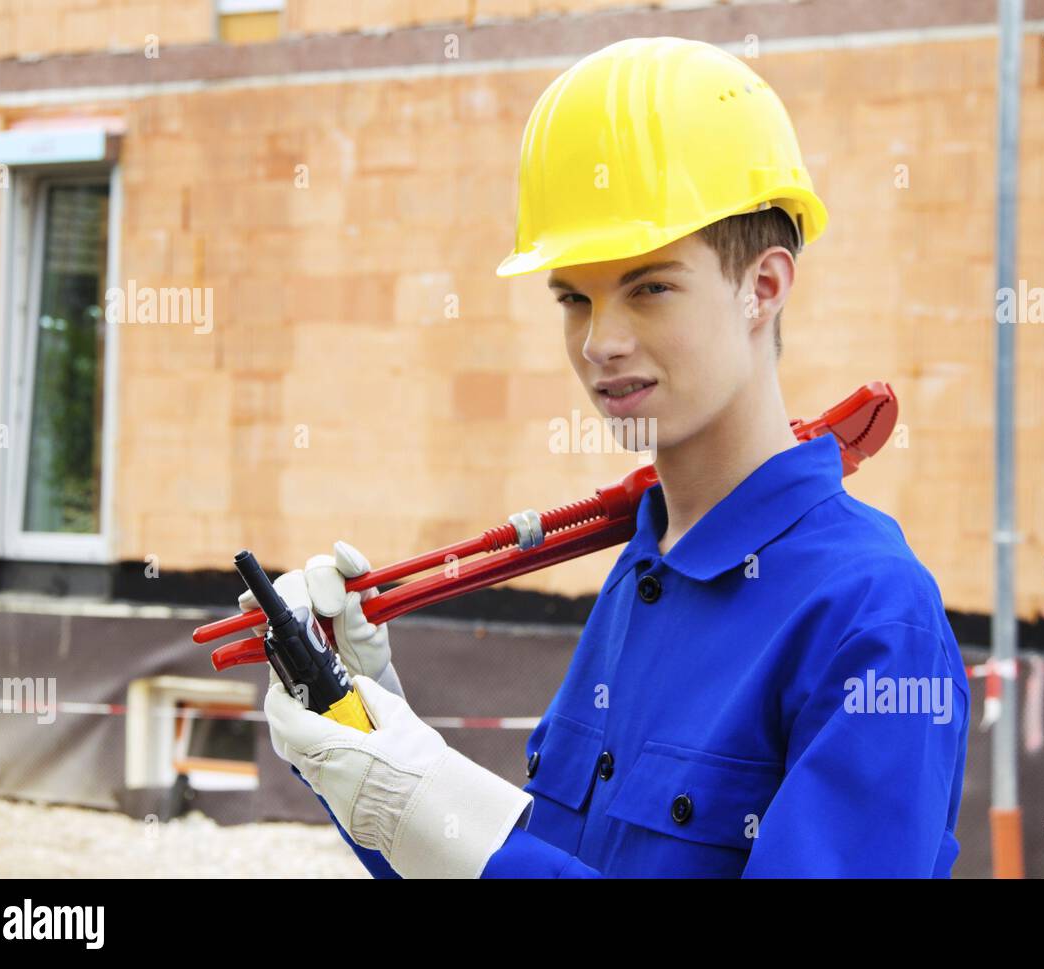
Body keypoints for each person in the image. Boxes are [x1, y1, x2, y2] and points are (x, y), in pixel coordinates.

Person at [257, 36, 971, 878]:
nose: (601, 342)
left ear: (765, 286)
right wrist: (371, 739)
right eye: (573, 298)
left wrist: (443, 816)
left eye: (649, 287)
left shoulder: (872, 616)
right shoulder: (646, 569)